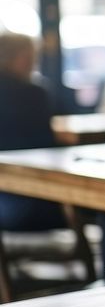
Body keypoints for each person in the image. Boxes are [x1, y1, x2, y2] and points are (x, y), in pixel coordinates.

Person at [0, 32, 67, 231]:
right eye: (32, 56)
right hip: (32, 204)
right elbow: (45, 143)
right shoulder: (34, 94)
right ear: (20, 57)